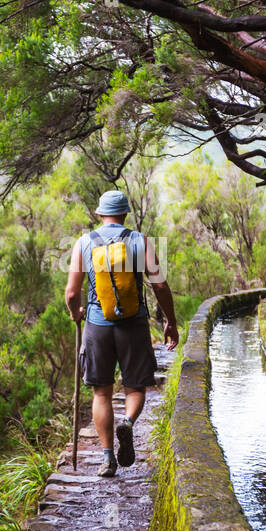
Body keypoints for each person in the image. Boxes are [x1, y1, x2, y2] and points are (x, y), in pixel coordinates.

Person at [65, 189, 179, 477]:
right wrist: (170, 321)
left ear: (100, 213)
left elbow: (71, 293)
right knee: (135, 386)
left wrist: (75, 313)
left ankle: (107, 459)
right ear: (126, 213)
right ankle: (127, 422)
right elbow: (161, 287)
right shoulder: (140, 241)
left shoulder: (84, 243)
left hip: (96, 325)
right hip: (133, 323)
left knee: (101, 392)